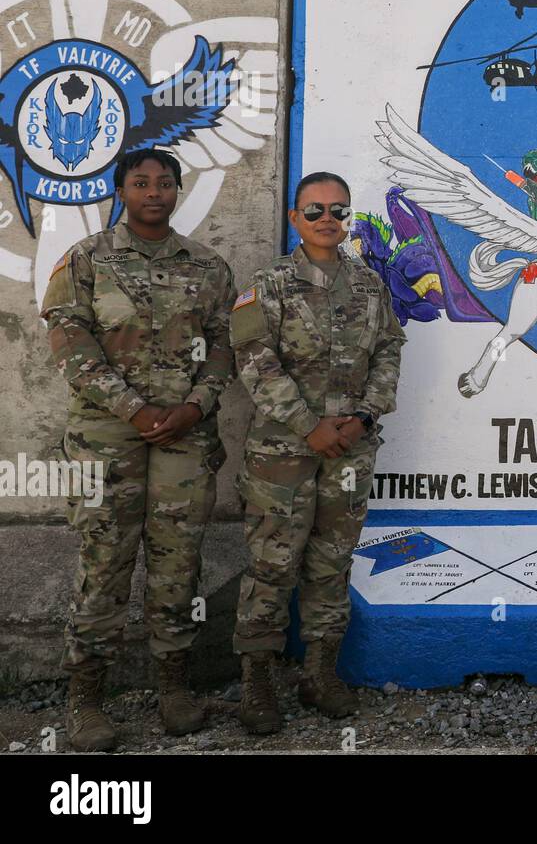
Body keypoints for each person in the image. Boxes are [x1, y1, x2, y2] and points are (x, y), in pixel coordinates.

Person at [41, 148, 236, 751]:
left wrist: (194, 406)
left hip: (184, 434)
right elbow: (70, 342)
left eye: (165, 183)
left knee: (179, 562)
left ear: (178, 192)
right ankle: (86, 701)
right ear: (121, 189)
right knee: (105, 562)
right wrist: (135, 409)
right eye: (141, 182)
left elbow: (228, 345)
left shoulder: (209, 267)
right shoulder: (86, 260)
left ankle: (173, 690)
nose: (154, 191)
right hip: (108, 437)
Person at [230, 171, 404, 734]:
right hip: (282, 452)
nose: (327, 219)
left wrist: (363, 417)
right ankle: (257, 682)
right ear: (294, 219)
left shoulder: (368, 285)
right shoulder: (271, 284)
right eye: (314, 211)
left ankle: (319, 674)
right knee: (271, 565)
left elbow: (388, 352)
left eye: (338, 210)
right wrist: (309, 426)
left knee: (332, 563)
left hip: (349, 451)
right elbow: (255, 361)